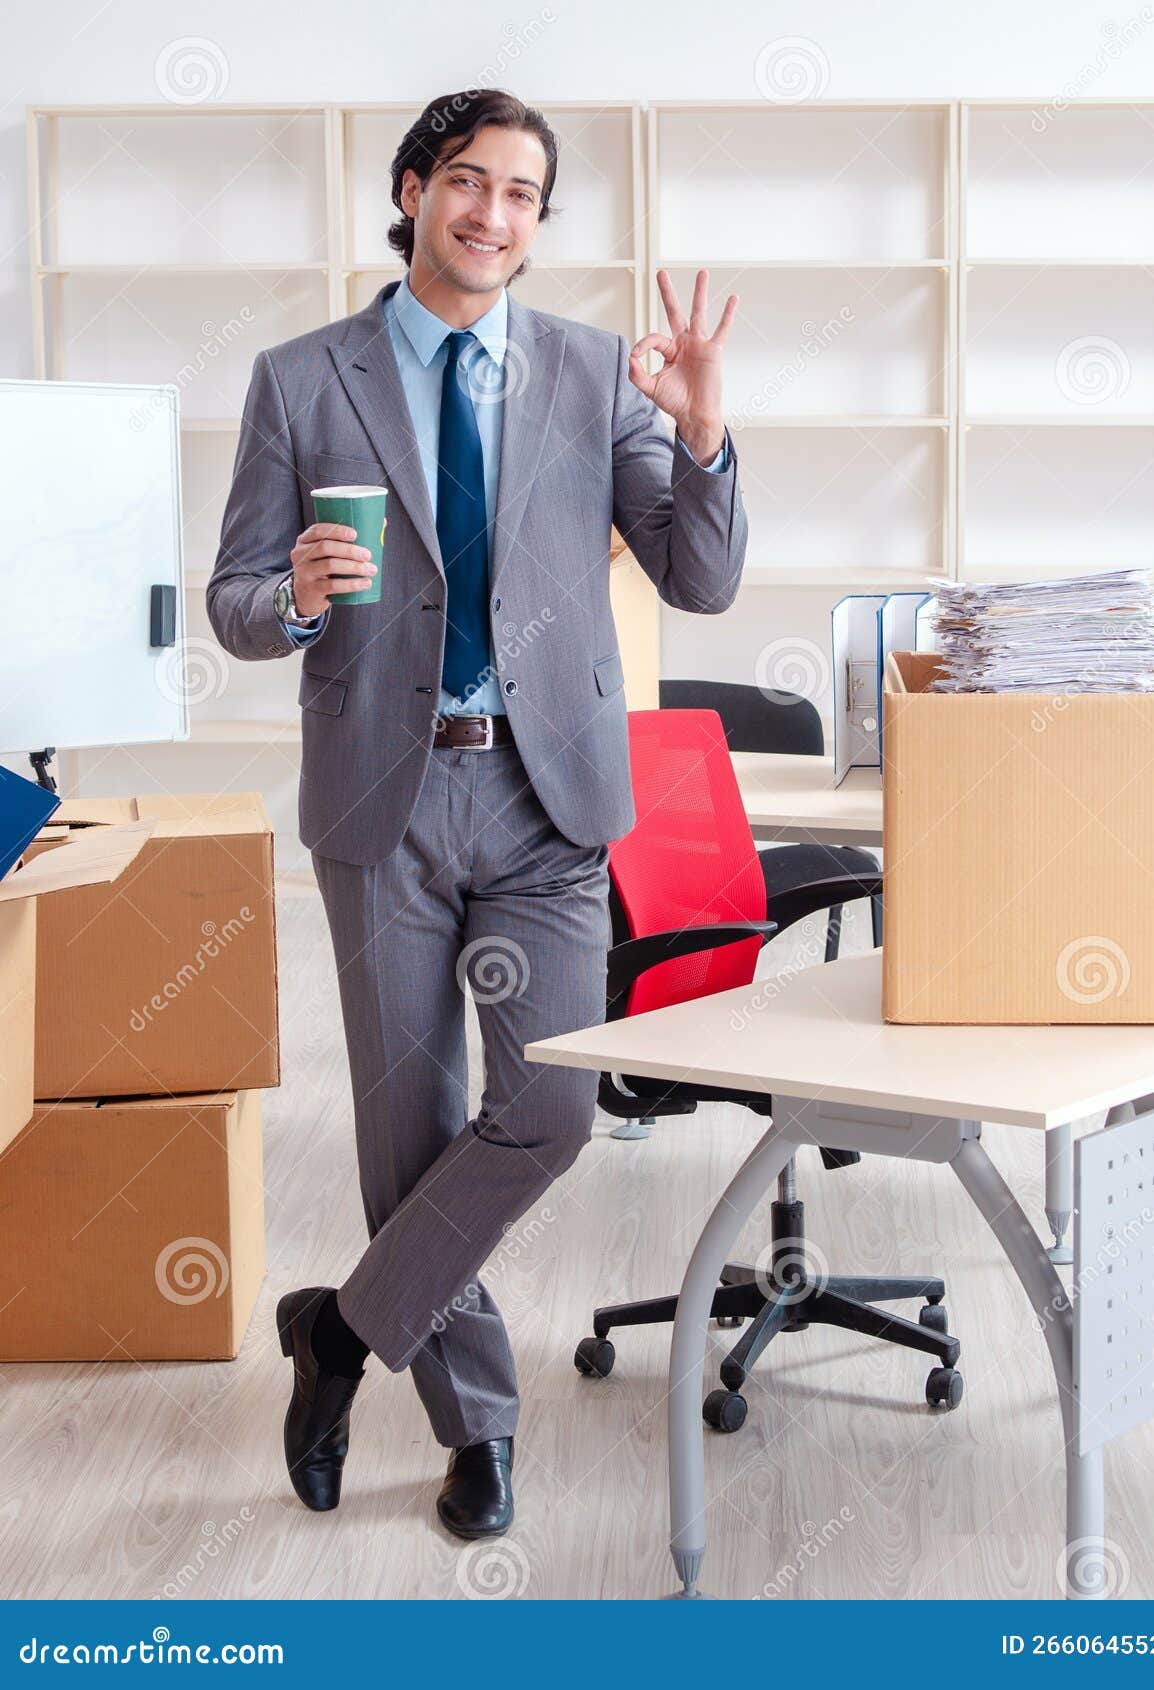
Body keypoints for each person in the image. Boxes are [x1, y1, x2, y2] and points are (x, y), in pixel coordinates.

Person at [207, 87, 746, 1540]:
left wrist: (699, 435)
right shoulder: (303, 376)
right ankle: (479, 1425)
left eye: (521, 193)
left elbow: (696, 581)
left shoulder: (588, 375)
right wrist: (296, 596)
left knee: (550, 1106)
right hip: (380, 794)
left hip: (543, 796)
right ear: (412, 188)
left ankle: (339, 1329)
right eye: (467, 180)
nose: (493, 213)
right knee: (407, 1128)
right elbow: (235, 601)